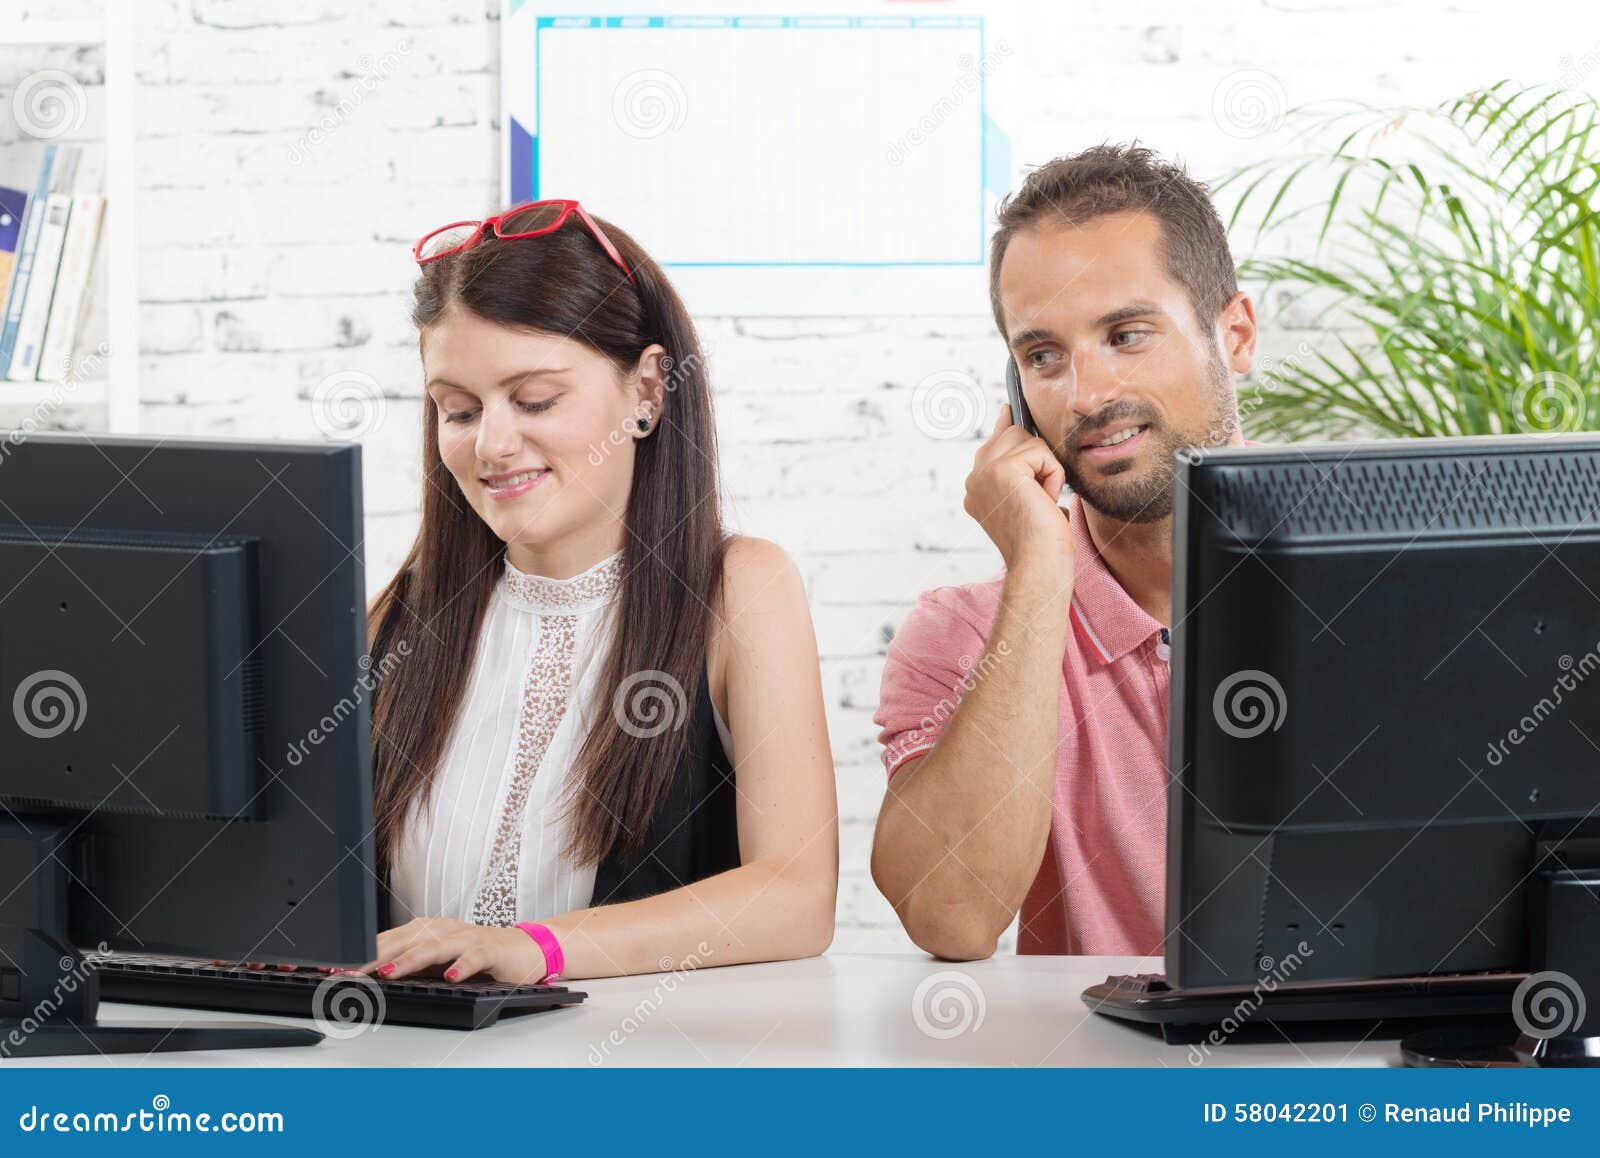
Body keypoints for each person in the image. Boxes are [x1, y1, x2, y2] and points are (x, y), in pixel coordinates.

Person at [361, 199, 838, 985]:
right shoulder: (401, 617)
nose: (492, 444)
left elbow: (795, 896)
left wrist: (537, 949)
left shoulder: (738, 592)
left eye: (536, 400)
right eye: (459, 409)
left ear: (648, 390)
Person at [871, 145, 1258, 960]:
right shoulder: (965, 634)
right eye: (1042, 356)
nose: (1085, 396)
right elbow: (951, 915)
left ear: (1235, 337)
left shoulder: (1382, 591)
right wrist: (1042, 571)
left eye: (1126, 334)